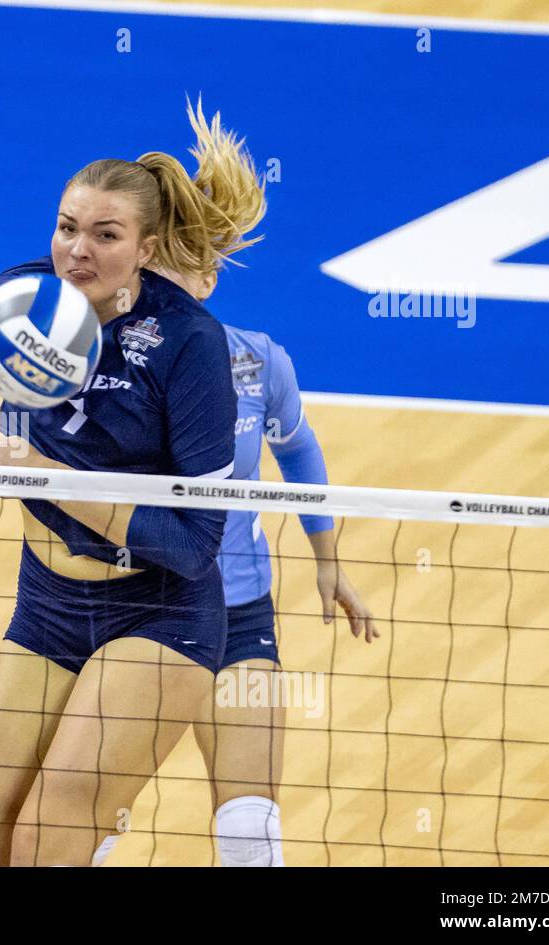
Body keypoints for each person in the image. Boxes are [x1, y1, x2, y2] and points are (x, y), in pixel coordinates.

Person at [0, 99, 260, 867]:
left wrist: (51, 476)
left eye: (105, 235)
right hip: (49, 600)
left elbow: (192, 546)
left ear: (147, 249)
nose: (75, 251)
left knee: (52, 826)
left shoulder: (189, 345)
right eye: (66, 226)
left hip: (159, 613)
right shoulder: (24, 294)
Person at [154, 267, 382, 867]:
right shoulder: (105, 359)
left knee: (251, 831)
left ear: (206, 277)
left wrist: (326, 557)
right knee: (84, 824)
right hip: (137, 609)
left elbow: (297, 445)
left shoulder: (255, 360)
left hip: (236, 606)